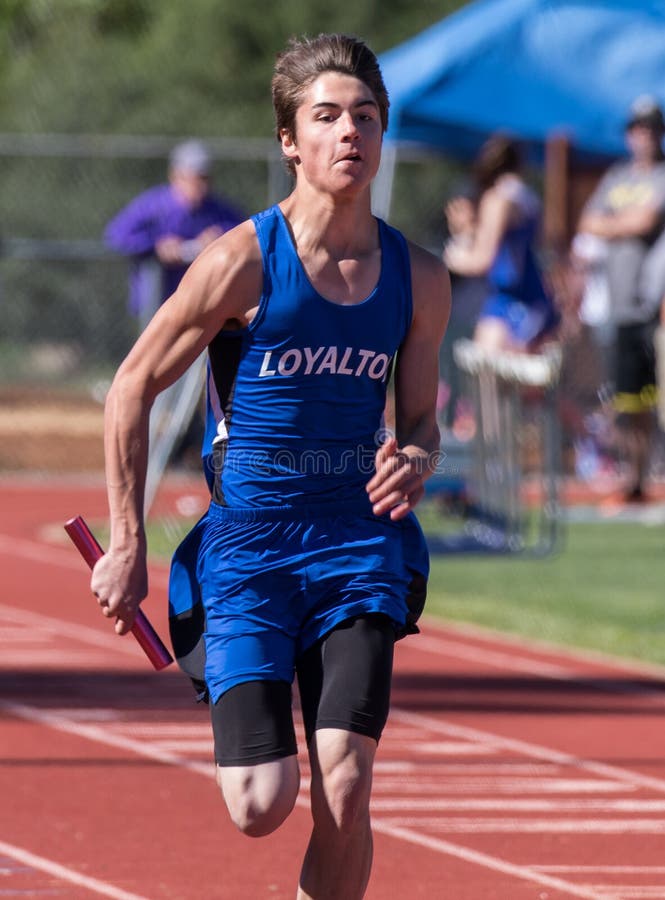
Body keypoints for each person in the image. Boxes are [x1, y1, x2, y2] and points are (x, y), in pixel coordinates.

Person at [90, 33, 450, 900]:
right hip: (249, 548)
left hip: (357, 546)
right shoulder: (244, 261)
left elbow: (422, 417)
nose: (348, 133)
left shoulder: (418, 277)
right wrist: (127, 540)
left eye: (364, 116)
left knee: (348, 784)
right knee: (259, 802)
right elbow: (131, 386)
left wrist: (414, 458)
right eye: (325, 116)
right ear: (290, 140)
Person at [577, 94, 665, 504]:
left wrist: (616, 224)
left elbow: (647, 220)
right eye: (638, 129)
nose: (644, 136)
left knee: (659, 399)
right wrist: (624, 224)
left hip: (657, 306)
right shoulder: (617, 177)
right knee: (631, 399)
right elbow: (589, 221)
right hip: (622, 306)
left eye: (651, 129)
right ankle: (635, 478)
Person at [105, 138, 244, 330]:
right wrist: (156, 245)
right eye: (194, 177)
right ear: (175, 176)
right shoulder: (153, 204)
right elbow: (116, 235)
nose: (200, 186)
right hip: (156, 305)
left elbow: (247, 233)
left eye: (205, 178)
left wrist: (221, 240)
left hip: (203, 307)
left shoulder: (218, 210)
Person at [444, 133, 558, 353]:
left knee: (485, 382)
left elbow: (483, 259)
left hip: (507, 304)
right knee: (523, 383)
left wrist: (452, 258)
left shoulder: (497, 199)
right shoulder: (530, 199)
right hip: (536, 303)